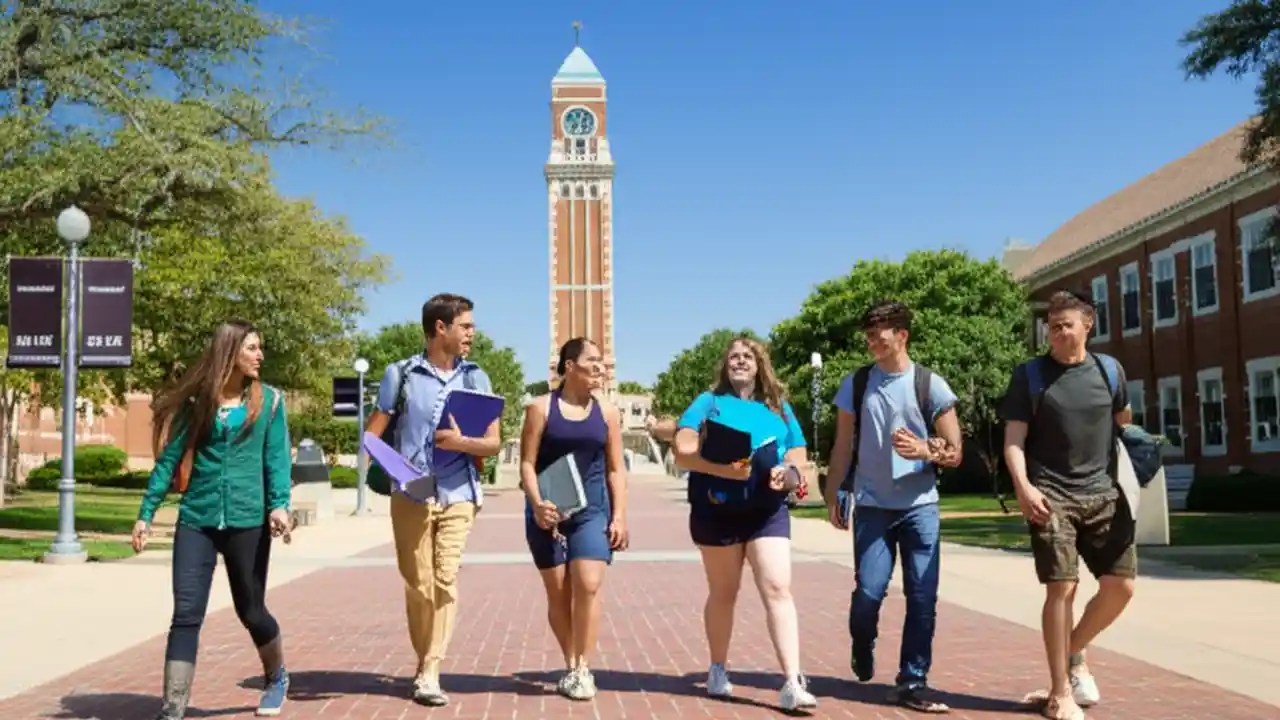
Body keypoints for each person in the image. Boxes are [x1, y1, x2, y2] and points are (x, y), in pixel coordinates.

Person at [131, 320, 294, 720]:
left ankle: (276, 677)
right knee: (186, 614)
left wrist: (279, 505)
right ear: (230, 351)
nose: (260, 356)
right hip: (197, 519)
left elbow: (275, 460)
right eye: (252, 348)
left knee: (251, 610)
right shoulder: (197, 404)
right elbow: (169, 460)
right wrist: (146, 513)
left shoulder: (269, 402)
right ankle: (173, 706)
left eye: (260, 348)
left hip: (247, 520)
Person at [1000, 290, 1137, 720]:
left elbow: (1123, 423)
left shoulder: (1110, 371)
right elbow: (1014, 440)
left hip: (1104, 494)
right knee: (1063, 587)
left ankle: (1072, 651)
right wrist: (1023, 487)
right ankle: (1060, 692)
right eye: (1052, 327)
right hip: (1050, 493)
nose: (1057, 333)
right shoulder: (1031, 376)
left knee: (1122, 586)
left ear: (1087, 326)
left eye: (1066, 325)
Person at [822, 300, 963, 714]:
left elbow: (955, 452)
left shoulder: (930, 384)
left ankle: (912, 680)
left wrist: (924, 449)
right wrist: (833, 494)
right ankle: (862, 641)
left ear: (902, 336)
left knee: (922, 597)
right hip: (872, 505)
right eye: (867, 335)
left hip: (920, 507)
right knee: (869, 593)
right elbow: (842, 445)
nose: (871, 342)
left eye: (878, 335)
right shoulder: (858, 383)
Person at [364, 293, 503, 707]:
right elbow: (372, 438)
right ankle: (423, 658)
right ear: (440, 328)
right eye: (465, 326)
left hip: (460, 490)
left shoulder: (477, 378)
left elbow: (494, 443)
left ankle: (431, 669)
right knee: (417, 581)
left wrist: (463, 442)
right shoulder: (401, 374)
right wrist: (406, 477)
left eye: (472, 326)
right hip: (411, 494)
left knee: (445, 578)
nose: (472, 334)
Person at [671, 336, 819, 712]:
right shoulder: (709, 403)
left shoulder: (779, 408)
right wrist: (723, 469)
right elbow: (683, 450)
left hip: (767, 511)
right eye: (733, 356)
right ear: (725, 366)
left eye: (747, 356)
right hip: (716, 509)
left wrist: (789, 473)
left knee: (777, 587)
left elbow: (799, 455)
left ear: (759, 363)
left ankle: (792, 681)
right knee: (724, 593)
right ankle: (718, 669)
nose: (740, 361)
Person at [518, 337, 630, 700]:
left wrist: (620, 516)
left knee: (589, 584)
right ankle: (570, 662)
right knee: (560, 593)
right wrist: (537, 505)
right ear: (569, 366)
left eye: (602, 362)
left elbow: (616, 469)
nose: (600, 367)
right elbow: (526, 464)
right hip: (547, 512)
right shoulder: (540, 408)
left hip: (591, 510)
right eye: (592, 361)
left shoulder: (608, 412)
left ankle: (583, 667)